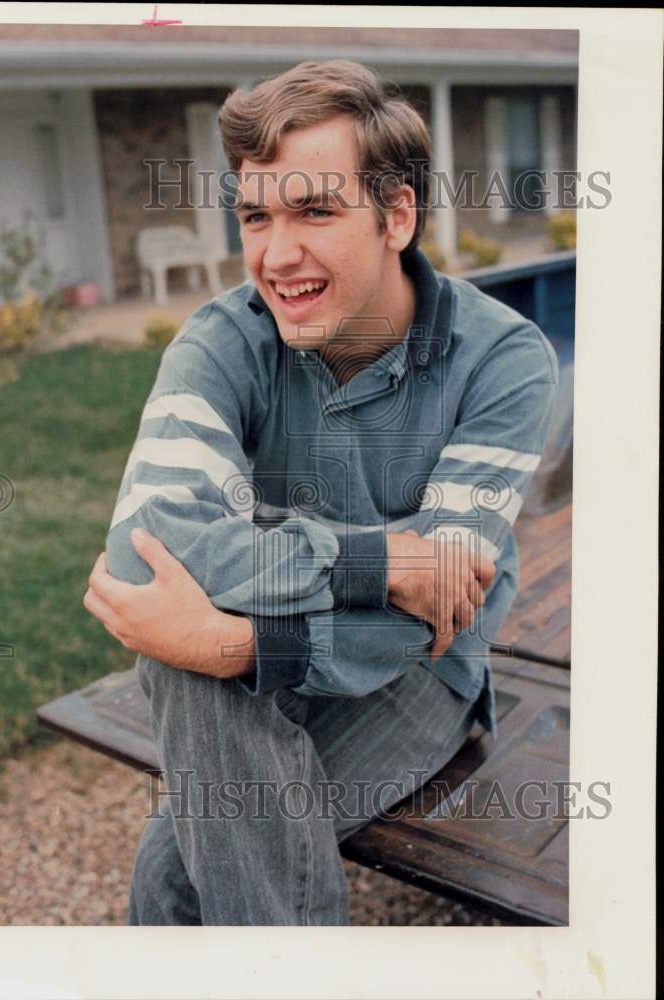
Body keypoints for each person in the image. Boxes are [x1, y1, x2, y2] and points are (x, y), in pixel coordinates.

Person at [83, 60, 559, 925]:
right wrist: (377, 558)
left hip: (415, 673)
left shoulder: (505, 358)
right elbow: (141, 549)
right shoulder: (224, 339)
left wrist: (235, 645)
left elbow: (440, 605)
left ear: (397, 215)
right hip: (312, 629)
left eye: (314, 211)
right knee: (176, 687)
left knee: (178, 875)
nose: (276, 253)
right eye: (257, 215)